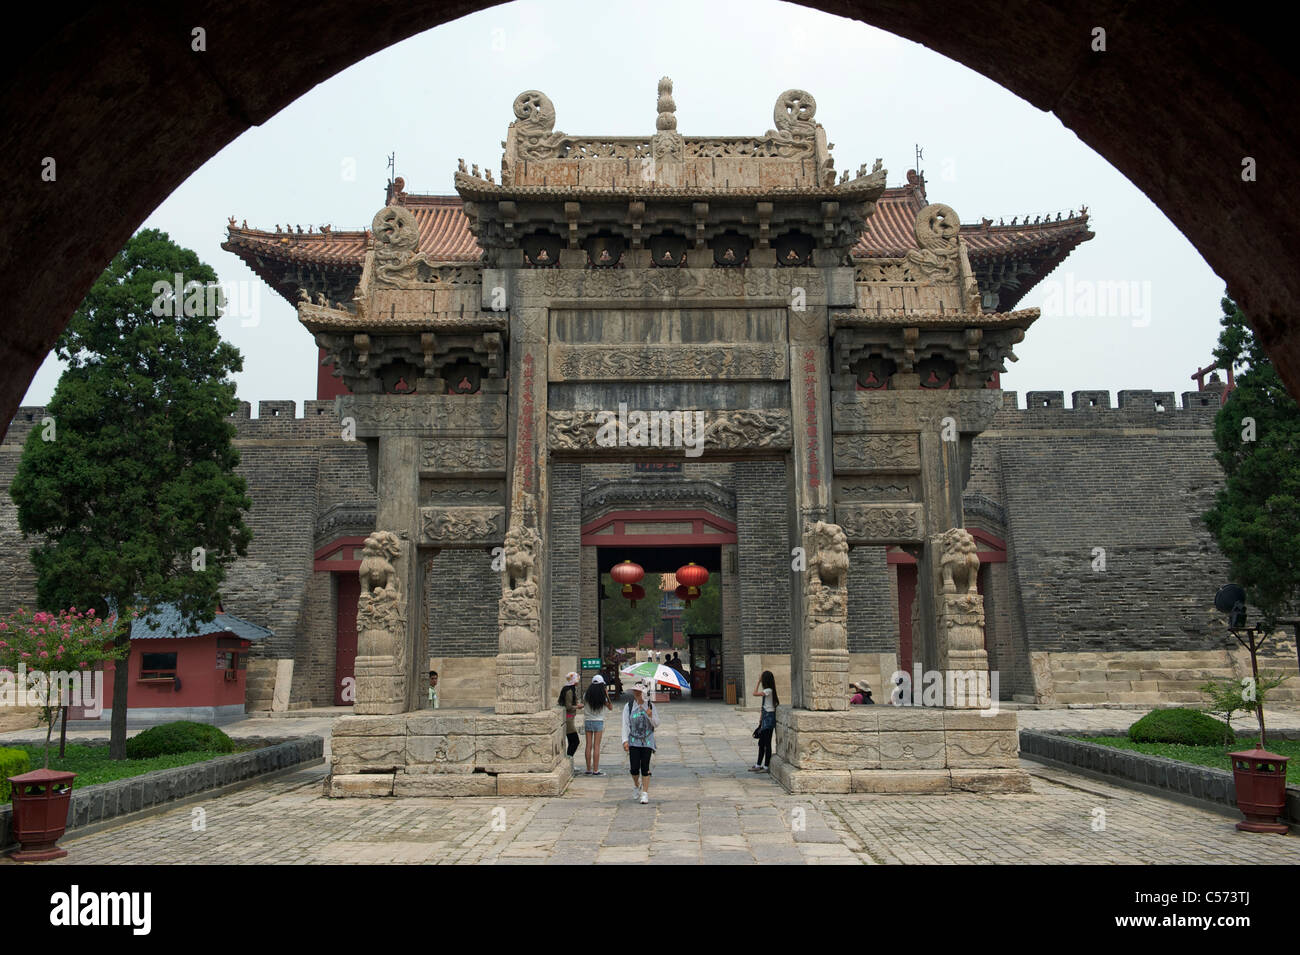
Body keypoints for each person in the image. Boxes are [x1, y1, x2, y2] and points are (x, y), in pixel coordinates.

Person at [621, 679, 660, 804]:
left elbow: (657, 723)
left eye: (639, 691)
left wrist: (650, 715)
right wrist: (625, 740)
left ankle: (645, 793)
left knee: (645, 766)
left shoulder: (650, 706)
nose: (637, 694)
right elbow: (625, 724)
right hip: (634, 740)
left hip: (647, 740)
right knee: (634, 768)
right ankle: (636, 784)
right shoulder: (629, 706)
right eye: (635, 691)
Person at [583, 675, 614, 776]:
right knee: (596, 746)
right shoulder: (602, 697)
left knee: (588, 745)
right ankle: (595, 770)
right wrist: (607, 695)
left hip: (588, 720)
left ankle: (588, 769)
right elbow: (610, 707)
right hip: (598, 722)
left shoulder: (586, 695)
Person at [749, 670, 778, 772]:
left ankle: (766, 766)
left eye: (762, 678)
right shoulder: (768, 691)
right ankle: (758, 764)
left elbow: (754, 693)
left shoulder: (768, 690)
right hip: (766, 717)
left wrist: (757, 682)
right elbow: (764, 706)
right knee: (761, 743)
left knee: (767, 743)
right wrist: (761, 719)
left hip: (769, 718)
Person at [558, 672, 583, 766]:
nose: (578, 681)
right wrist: (578, 707)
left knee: (571, 741)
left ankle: (569, 761)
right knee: (575, 741)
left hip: (570, 717)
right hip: (568, 719)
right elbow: (568, 706)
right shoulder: (569, 691)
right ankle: (568, 760)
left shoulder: (569, 689)